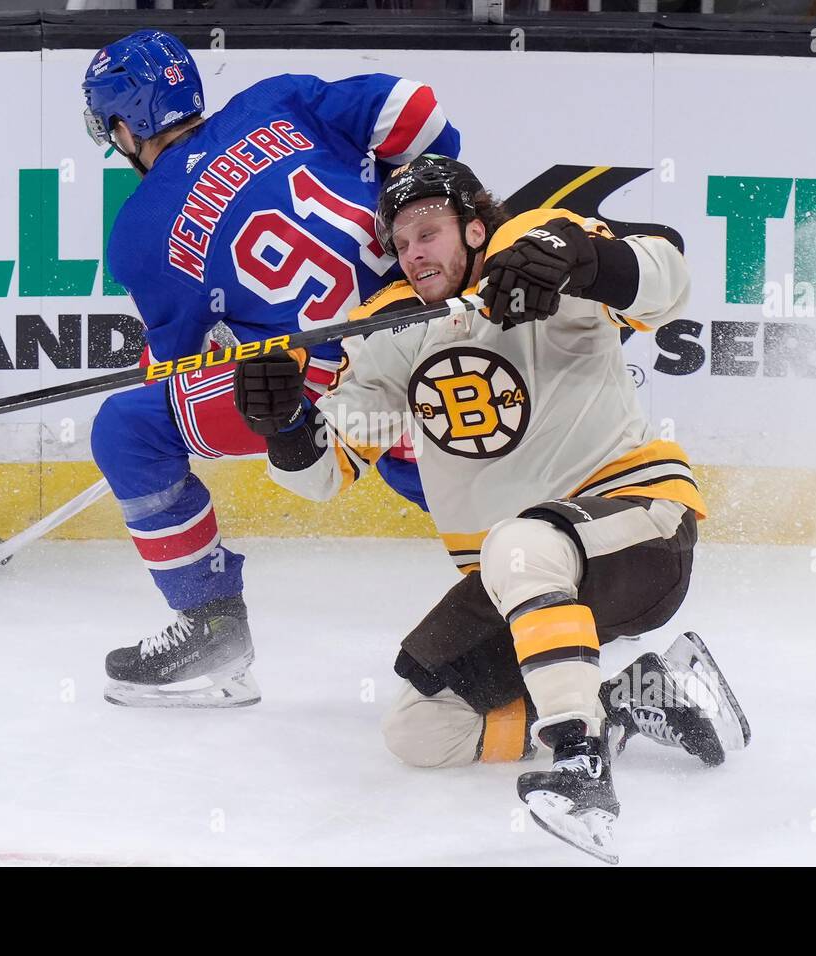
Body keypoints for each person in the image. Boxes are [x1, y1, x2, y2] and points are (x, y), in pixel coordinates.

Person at [232, 155, 749, 862]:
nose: (414, 252)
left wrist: (584, 261)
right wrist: (285, 424)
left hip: (639, 528)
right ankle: (631, 700)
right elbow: (328, 468)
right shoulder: (390, 330)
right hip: (520, 586)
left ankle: (579, 765)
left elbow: (667, 281)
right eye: (402, 242)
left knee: (519, 541)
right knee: (420, 729)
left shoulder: (537, 242)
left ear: (476, 228)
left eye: (429, 231)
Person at [81, 31, 460, 707]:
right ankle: (575, 572)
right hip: (432, 338)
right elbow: (420, 113)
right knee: (447, 467)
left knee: (130, 430)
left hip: (325, 395)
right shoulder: (277, 99)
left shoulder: (140, 229)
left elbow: (183, 361)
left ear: (121, 125)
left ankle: (212, 629)